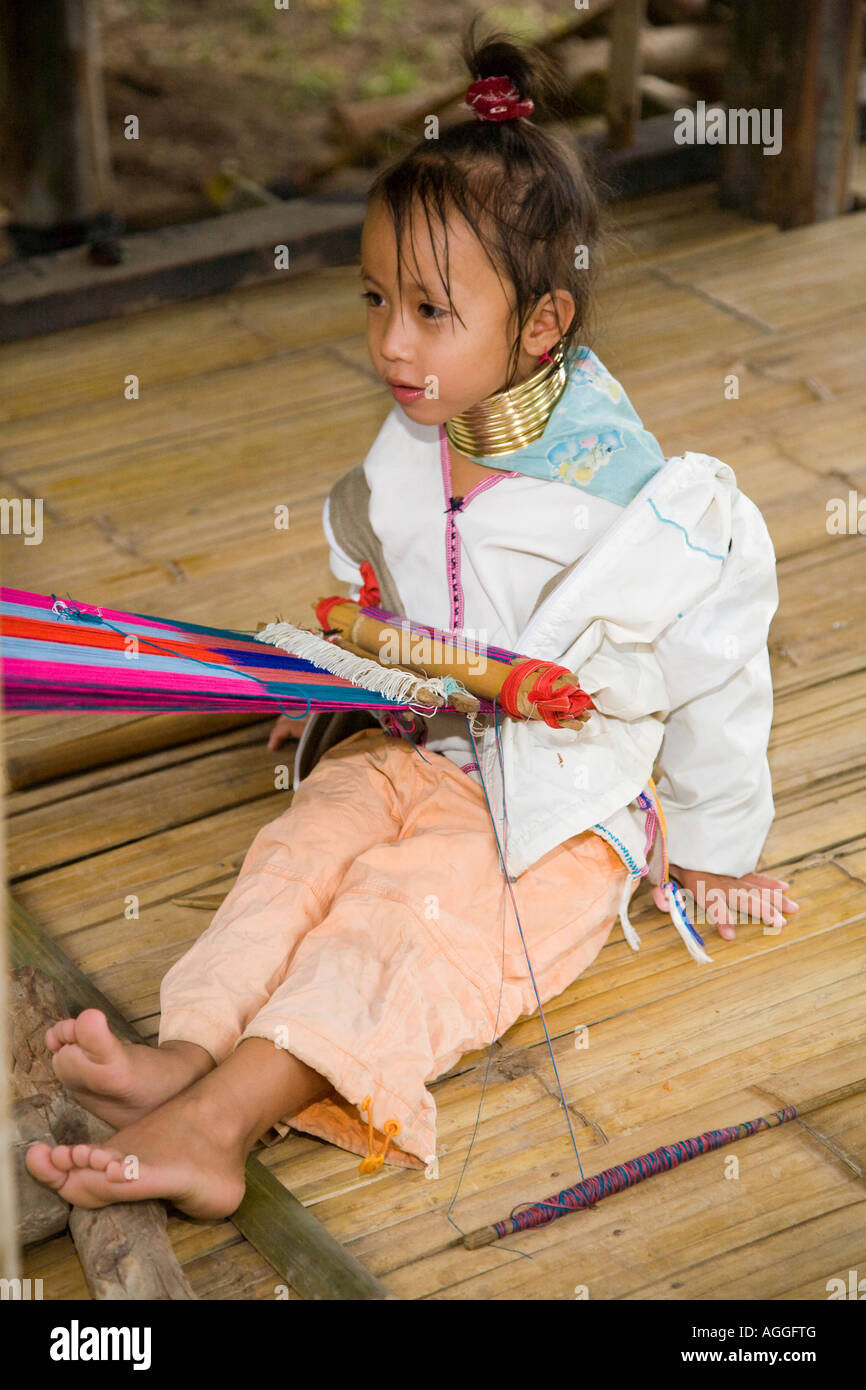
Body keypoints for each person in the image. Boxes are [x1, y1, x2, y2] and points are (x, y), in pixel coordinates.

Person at [26, 25, 798, 1216]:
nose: (389, 341)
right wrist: (324, 684)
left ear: (539, 326)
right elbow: (370, 577)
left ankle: (222, 1125)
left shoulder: (640, 499)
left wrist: (711, 849)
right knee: (299, 849)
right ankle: (189, 1047)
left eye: (430, 311)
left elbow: (715, 658)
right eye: (377, 298)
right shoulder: (408, 444)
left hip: (558, 811)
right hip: (420, 748)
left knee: (399, 918)